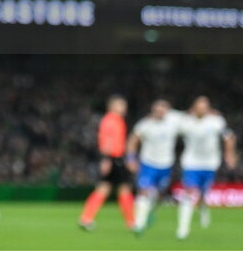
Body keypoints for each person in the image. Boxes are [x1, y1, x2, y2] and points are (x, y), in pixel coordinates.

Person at [176, 96, 237, 240]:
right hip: (191, 162)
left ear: (208, 108)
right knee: (189, 192)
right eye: (198, 106)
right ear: (194, 107)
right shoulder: (186, 122)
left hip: (210, 163)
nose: (201, 109)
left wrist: (229, 155)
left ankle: (203, 207)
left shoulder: (216, 121)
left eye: (204, 107)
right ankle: (183, 229)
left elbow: (229, 137)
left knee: (203, 192)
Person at [78, 95, 134, 232]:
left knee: (104, 188)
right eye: (121, 105)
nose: (124, 108)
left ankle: (86, 217)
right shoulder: (111, 120)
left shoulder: (112, 120)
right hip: (114, 158)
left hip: (113, 158)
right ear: (112, 106)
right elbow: (107, 141)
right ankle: (131, 222)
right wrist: (106, 159)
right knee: (123, 188)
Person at [126, 99, 182, 235]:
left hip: (166, 164)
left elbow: (193, 116)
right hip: (148, 163)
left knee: (158, 194)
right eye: (157, 110)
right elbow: (133, 140)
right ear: (153, 110)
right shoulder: (145, 124)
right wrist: (130, 158)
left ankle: (149, 210)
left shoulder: (175, 120)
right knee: (144, 191)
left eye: (163, 109)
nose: (160, 112)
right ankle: (139, 224)